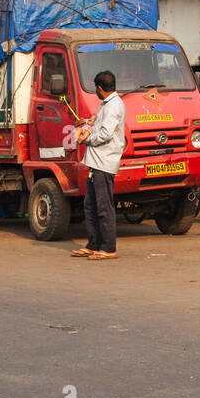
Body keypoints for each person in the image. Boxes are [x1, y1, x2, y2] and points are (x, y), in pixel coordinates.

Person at [73, 70, 126, 260]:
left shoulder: (114, 106)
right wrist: (87, 123)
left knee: (104, 206)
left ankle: (109, 247)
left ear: (99, 88)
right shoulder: (108, 104)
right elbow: (100, 125)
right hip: (95, 162)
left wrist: (85, 138)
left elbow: (105, 134)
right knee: (90, 204)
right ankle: (94, 244)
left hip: (104, 162)